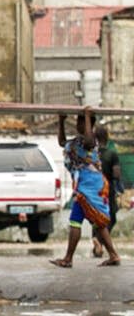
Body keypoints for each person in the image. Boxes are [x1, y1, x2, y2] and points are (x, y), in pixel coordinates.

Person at [51, 111, 121, 268]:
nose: (78, 125)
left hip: (90, 187)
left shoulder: (92, 142)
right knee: (99, 223)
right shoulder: (76, 142)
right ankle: (114, 255)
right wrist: (61, 121)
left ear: (90, 124)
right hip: (87, 185)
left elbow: (89, 141)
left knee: (76, 221)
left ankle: (68, 259)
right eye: (78, 121)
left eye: (81, 122)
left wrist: (88, 116)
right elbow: (62, 142)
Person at [92, 124, 122, 258]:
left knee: (96, 217)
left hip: (93, 190)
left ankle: (97, 243)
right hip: (107, 190)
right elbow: (116, 174)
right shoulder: (112, 154)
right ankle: (99, 241)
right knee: (112, 218)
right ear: (107, 136)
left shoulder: (92, 154)